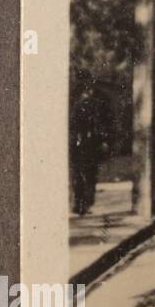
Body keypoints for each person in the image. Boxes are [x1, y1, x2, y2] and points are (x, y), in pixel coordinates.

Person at [69, 84, 105, 216]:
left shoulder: (80, 107)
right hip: (86, 146)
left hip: (82, 146)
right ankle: (84, 204)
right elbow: (95, 127)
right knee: (88, 176)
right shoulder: (90, 107)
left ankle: (79, 205)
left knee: (81, 176)